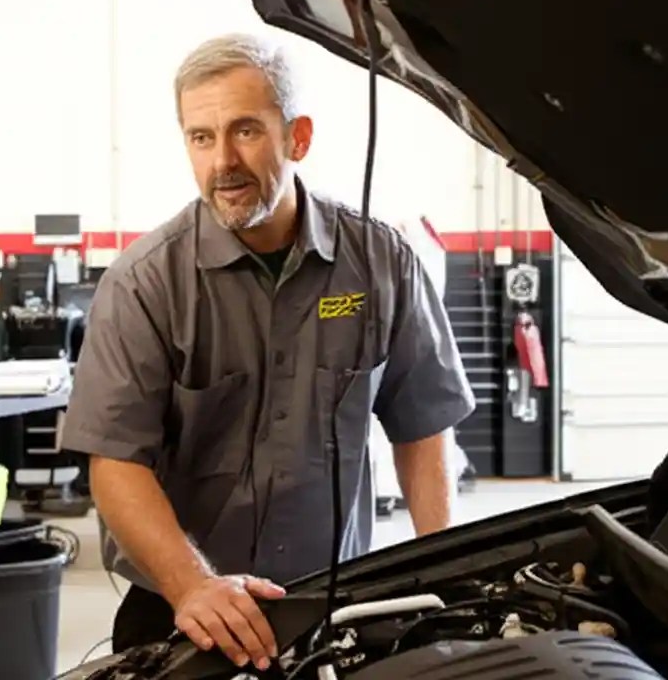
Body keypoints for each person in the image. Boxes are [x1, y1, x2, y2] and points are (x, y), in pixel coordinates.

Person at [61, 33, 475, 671]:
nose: (222, 160)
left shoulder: (381, 262)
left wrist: (444, 574)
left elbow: (422, 428)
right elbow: (116, 462)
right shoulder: (145, 283)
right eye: (201, 138)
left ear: (298, 138)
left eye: (245, 131)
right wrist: (192, 585)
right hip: (182, 608)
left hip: (332, 602)